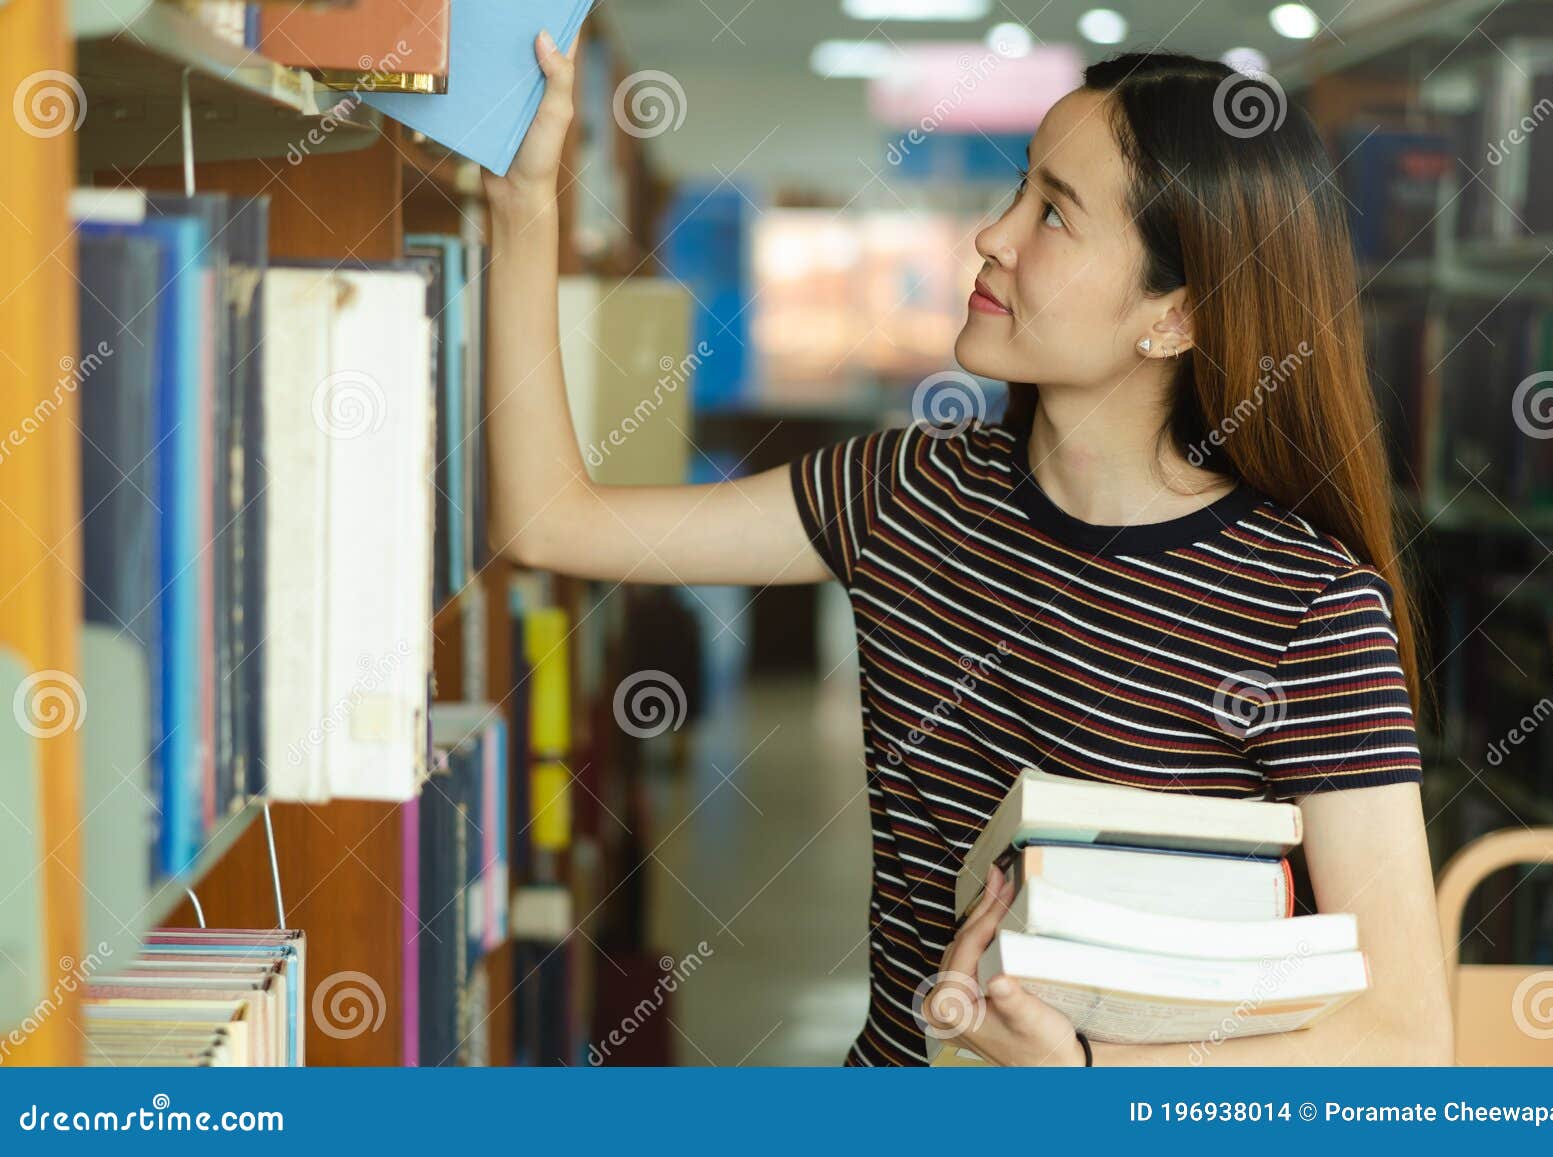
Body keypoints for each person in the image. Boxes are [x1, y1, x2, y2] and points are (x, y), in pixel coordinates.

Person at [484, 31, 1455, 1068]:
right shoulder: (902, 492)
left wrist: (1089, 1081)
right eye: (1017, 191)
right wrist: (522, 212)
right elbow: (550, 520)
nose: (991, 237)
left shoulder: (1305, 604)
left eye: (1052, 214)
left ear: (1173, 315)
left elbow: (1402, 1033)